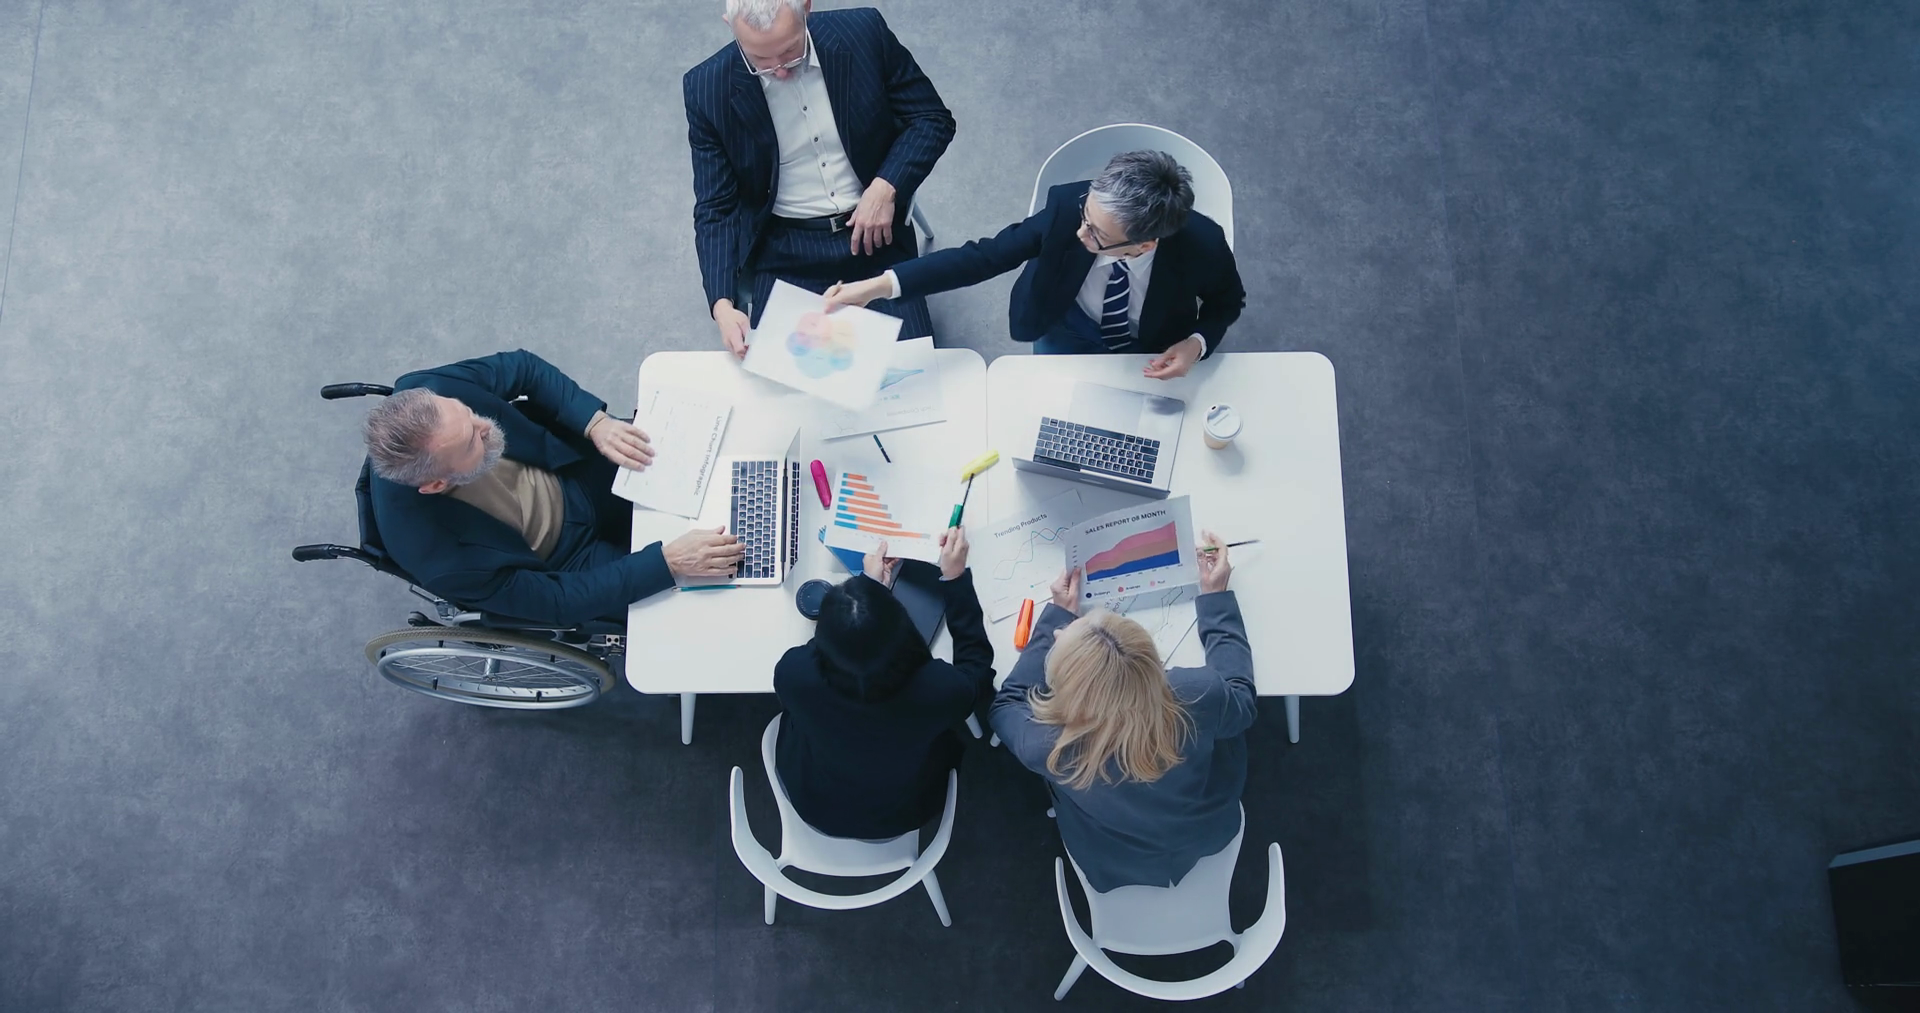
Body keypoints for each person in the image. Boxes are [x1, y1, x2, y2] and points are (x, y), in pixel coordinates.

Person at [361, 350, 744, 627]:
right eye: (471, 441)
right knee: (708, 599)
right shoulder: (440, 560)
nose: (485, 425)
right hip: (565, 560)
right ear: (437, 484)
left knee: (718, 471)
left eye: (469, 414)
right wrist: (669, 562)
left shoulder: (431, 388)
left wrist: (596, 423)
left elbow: (524, 369)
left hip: (571, 468)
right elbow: (557, 601)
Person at [823, 150, 1246, 380]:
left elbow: (1227, 302)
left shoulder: (1202, 246)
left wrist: (1195, 343)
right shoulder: (1068, 209)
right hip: (1063, 326)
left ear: (1145, 244)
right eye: (1086, 216)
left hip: (1151, 348)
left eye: (1097, 236)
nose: (1080, 236)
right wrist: (876, 286)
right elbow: (981, 258)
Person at [685, 0, 957, 356]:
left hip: (875, 233)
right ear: (729, 25)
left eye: (789, 51)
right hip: (785, 250)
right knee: (790, 400)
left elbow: (932, 118)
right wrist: (722, 305)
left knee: (908, 383)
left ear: (807, 9)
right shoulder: (706, 88)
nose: (780, 70)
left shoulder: (864, 32)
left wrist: (886, 186)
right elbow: (715, 207)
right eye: (761, 61)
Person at [989, 532, 1254, 891]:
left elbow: (1006, 705)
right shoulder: (1198, 693)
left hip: (1110, 860)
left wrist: (1054, 619)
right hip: (1207, 830)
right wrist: (1217, 599)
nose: (1059, 633)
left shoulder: (1047, 745)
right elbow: (1242, 701)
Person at [772, 528, 994, 840]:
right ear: (902, 632)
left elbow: (826, 649)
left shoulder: (795, 675)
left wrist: (867, 589)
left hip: (814, 800)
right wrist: (955, 579)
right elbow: (977, 669)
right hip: (902, 811)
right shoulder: (938, 691)